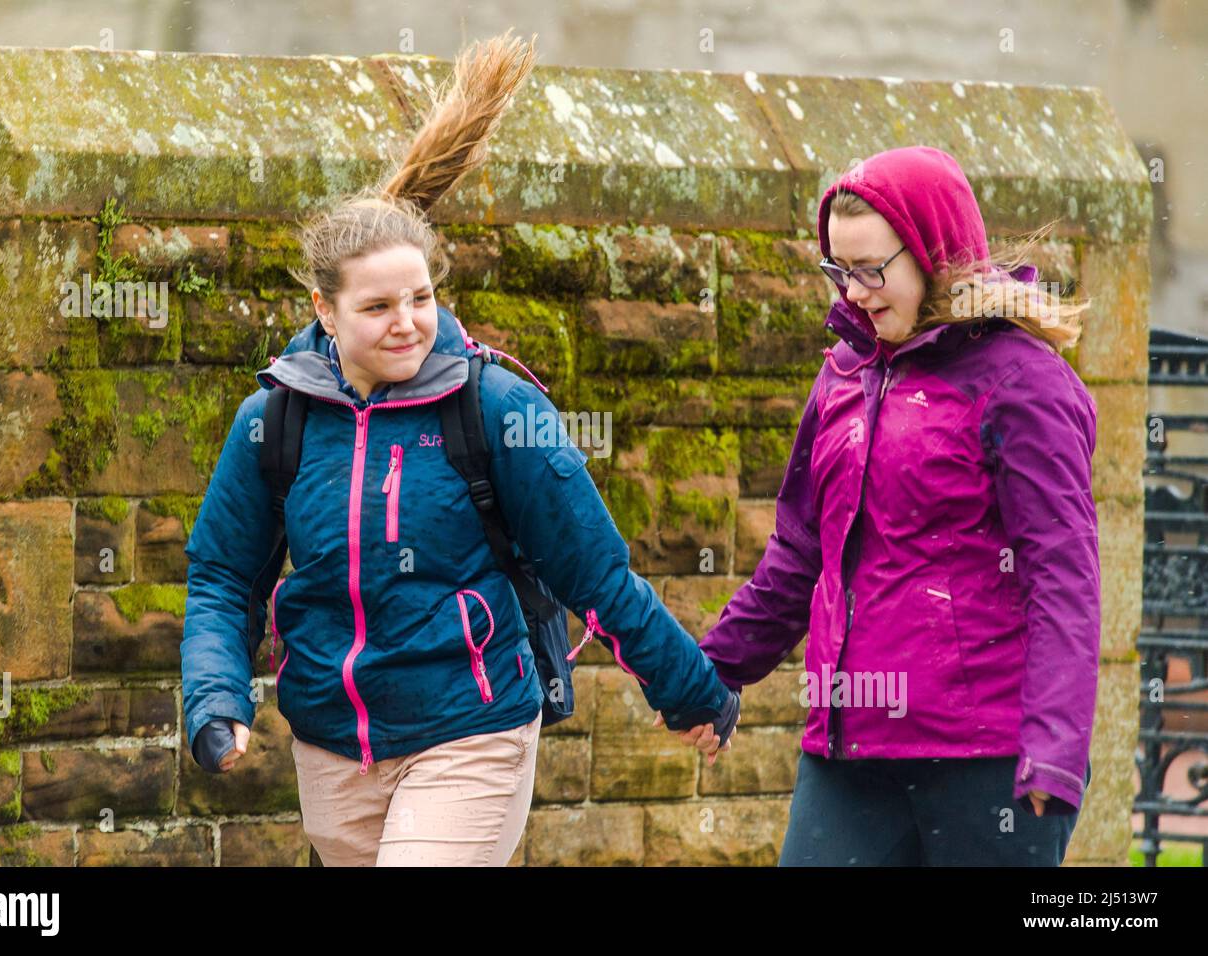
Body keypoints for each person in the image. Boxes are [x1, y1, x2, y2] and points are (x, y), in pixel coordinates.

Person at [179, 31, 739, 867]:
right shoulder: (275, 420)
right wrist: (215, 698)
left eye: (421, 297)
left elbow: (594, 572)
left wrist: (688, 688)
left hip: (471, 730)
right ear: (326, 313)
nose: (406, 321)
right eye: (378, 307)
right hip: (334, 744)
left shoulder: (493, 407)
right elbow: (225, 576)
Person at [697, 145, 1100, 866]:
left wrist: (1057, 749)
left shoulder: (1024, 382)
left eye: (870, 270)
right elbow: (798, 555)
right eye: (838, 270)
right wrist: (706, 674)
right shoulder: (843, 378)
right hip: (847, 751)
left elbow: (1063, 577)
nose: (852, 292)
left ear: (935, 256)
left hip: (989, 759)